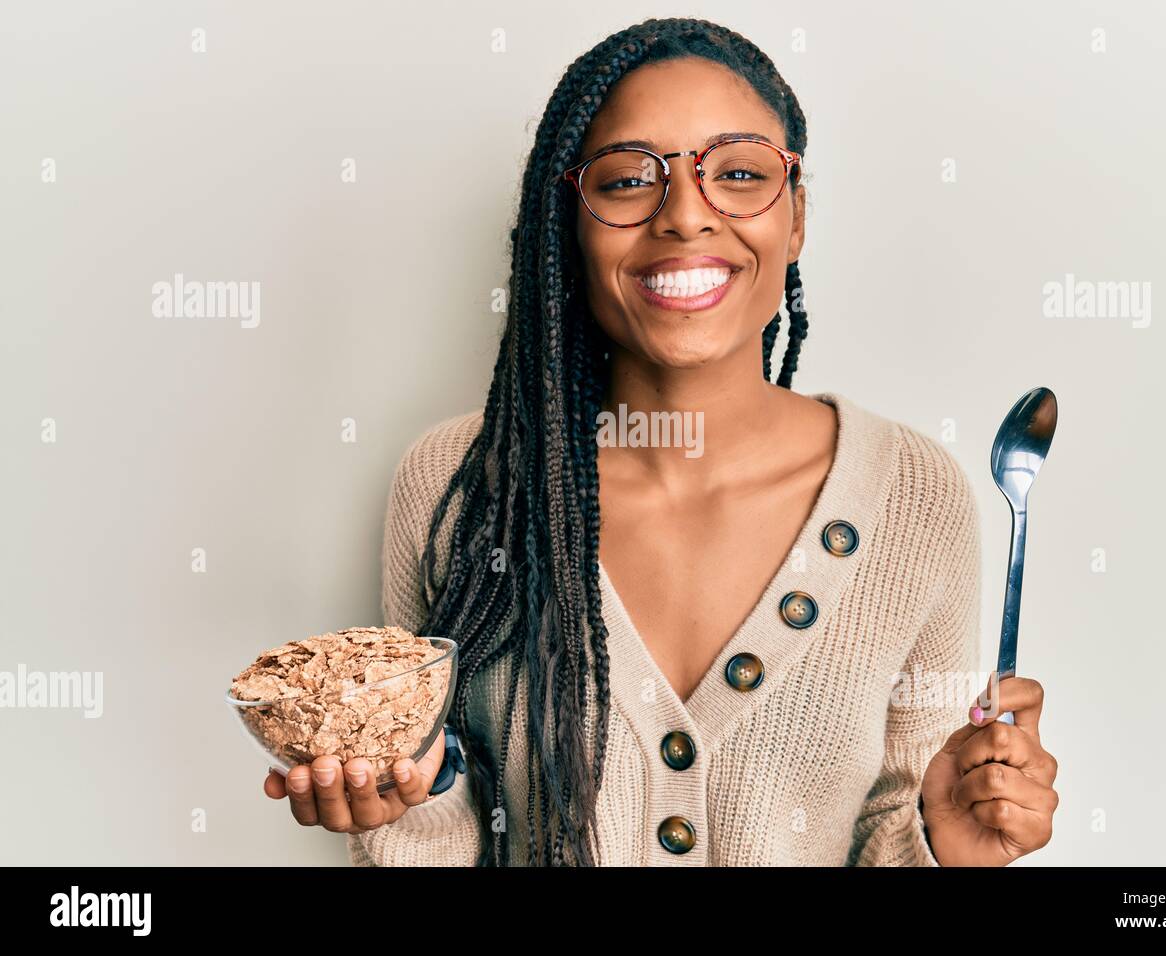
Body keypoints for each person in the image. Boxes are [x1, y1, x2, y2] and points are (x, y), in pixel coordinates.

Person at [263, 16, 1059, 866]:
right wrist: (398, 808)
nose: (684, 216)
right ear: (568, 228)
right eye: (628, 181)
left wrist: (943, 847)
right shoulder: (457, 484)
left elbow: (896, 823)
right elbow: (447, 819)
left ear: (794, 223)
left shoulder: (916, 495)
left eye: (742, 173)